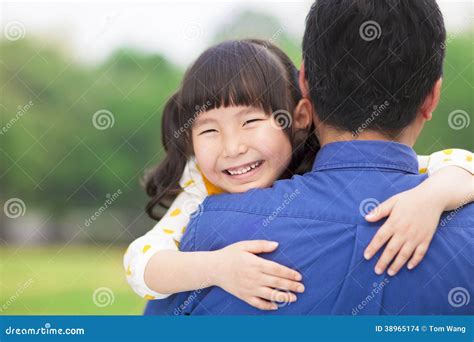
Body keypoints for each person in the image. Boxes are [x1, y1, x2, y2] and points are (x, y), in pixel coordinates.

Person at [143, 0, 473, 315]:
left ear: (305, 88)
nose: (233, 149)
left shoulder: (205, 232)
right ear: (433, 96)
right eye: (209, 131)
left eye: (250, 122)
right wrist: (436, 194)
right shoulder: (447, 193)